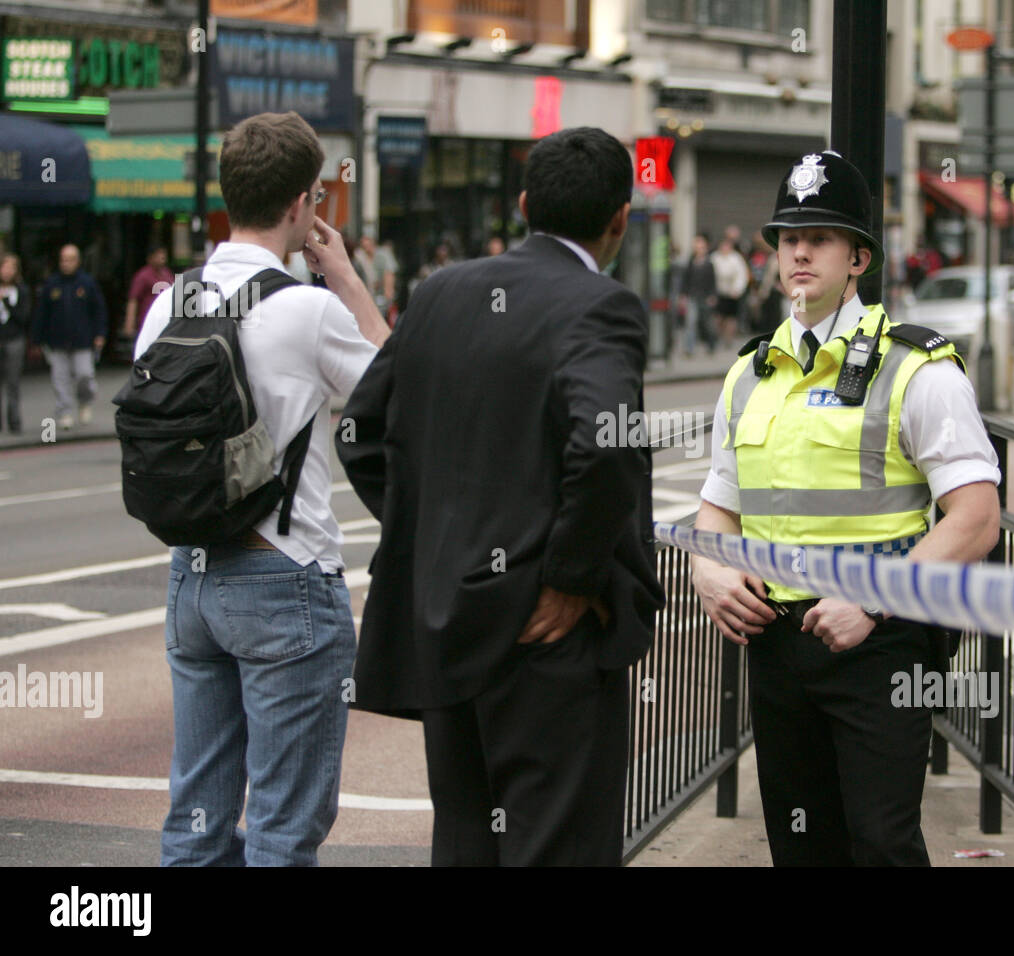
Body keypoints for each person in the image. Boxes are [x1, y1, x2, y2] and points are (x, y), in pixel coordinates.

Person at [336, 126, 664, 867]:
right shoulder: (600, 305)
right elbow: (606, 444)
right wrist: (569, 578)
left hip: (450, 624)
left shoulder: (442, 292)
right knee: (559, 847)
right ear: (620, 216)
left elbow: (359, 431)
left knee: (466, 842)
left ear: (522, 204)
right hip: (546, 641)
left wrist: (441, 541)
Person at [689, 150, 1003, 866]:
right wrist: (708, 571)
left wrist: (871, 598)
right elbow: (719, 507)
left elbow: (977, 517)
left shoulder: (915, 368)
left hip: (879, 645)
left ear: (859, 257)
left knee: (882, 845)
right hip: (776, 644)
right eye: (787, 237)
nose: (799, 250)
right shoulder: (749, 372)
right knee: (803, 849)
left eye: (821, 237)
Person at [133, 110, 391, 866]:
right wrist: (346, 280)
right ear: (302, 204)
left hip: (193, 578)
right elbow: (403, 393)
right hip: (286, 578)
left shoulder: (168, 304)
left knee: (197, 824)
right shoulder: (308, 310)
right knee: (282, 833)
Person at [31, 244, 107, 431]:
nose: (66, 263)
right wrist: (36, 339)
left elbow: (99, 311)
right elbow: (41, 313)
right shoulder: (52, 284)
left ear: (78, 261)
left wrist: (100, 333)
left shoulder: (87, 283)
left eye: (70, 259)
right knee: (60, 378)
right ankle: (64, 411)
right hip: (57, 340)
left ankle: (84, 401)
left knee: (84, 375)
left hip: (82, 340)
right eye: (63, 259)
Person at [0, 253, 31, 434]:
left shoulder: (21, 290)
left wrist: (6, 302)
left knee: (13, 382)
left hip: (14, 339)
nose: (7, 271)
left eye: (11, 268)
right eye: (4, 267)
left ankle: (14, 421)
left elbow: (23, 317)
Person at [678, 234, 717, 356]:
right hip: (692, 296)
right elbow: (685, 280)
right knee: (690, 322)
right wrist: (683, 295)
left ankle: (711, 344)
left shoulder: (709, 263)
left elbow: (712, 281)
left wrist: (712, 295)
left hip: (705, 297)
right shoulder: (691, 262)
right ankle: (689, 348)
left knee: (706, 322)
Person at [124, 246, 174, 338]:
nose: (162, 257)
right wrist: (129, 323)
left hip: (166, 322)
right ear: (150, 258)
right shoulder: (143, 276)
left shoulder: (167, 274)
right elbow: (133, 300)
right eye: (159, 254)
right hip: (148, 321)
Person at [711, 233, 750, 348]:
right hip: (719, 292)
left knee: (731, 318)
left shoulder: (736, 258)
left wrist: (737, 289)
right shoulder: (715, 258)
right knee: (719, 317)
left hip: (732, 292)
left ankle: (728, 338)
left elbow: (742, 275)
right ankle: (719, 336)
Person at [353, 230, 397, 316]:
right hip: (365, 297)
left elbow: (389, 274)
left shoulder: (383, 255)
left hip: (380, 297)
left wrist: (388, 293)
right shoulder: (360, 257)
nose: (365, 245)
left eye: (367, 241)